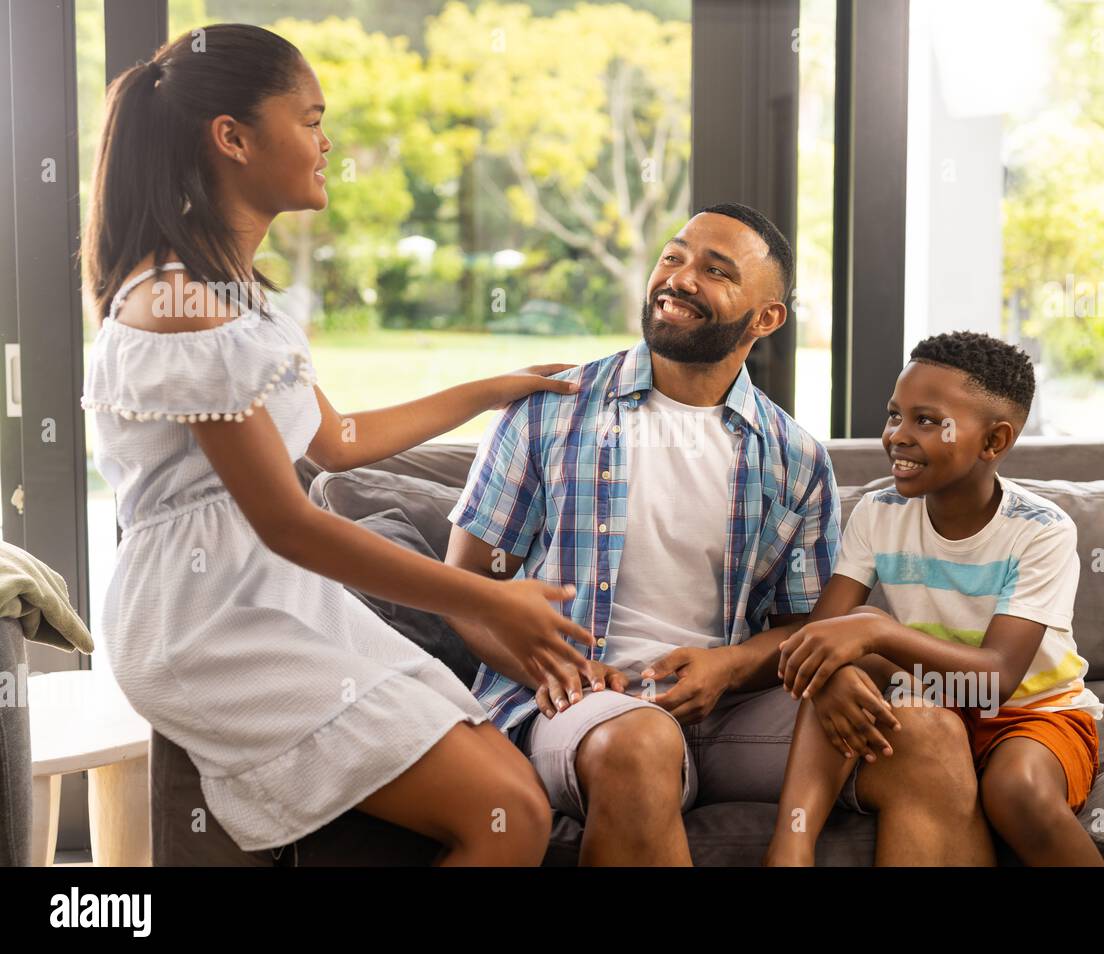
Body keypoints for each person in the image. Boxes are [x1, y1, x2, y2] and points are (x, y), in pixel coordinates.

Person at [80, 24, 597, 865]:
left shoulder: (237, 295)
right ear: (233, 138)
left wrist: (490, 390)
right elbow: (292, 523)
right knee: (510, 809)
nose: (329, 143)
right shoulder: (183, 307)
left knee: (511, 804)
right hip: (207, 621)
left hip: (273, 597)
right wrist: (484, 598)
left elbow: (338, 440)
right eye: (312, 119)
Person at [443, 204, 984, 866]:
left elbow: (803, 629)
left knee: (928, 734)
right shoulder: (550, 409)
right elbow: (465, 586)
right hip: (579, 707)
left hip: (725, 714)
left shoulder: (794, 456)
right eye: (673, 257)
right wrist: (552, 665)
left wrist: (728, 666)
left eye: (715, 270)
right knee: (642, 743)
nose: (680, 278)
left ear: (766, 318)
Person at [765, 331, 1104, 866]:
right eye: (894, 414)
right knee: (840, 665)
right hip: (931, 702)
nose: (897, 435)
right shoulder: (879, 511)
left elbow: (996, 678)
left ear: (994, 441)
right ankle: (791, 847)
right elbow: (819, 637)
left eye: (927, 421)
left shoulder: (1041, 531)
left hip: (1029, 714)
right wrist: (847, 655)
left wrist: (876, 628)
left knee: (1016, 789)